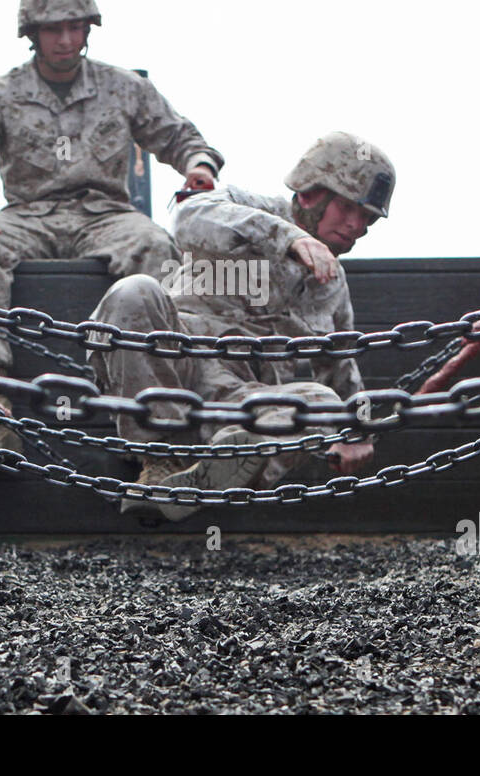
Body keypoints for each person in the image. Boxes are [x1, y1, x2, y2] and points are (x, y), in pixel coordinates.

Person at [0, 0, 223, 460]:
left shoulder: (122, 88)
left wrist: (199, 167)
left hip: (106, 214)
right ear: (31, 33)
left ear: (89, 29)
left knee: (154, 246)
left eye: (75, 27)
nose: (65, 39)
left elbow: (181, 137)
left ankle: (154, 422)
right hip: (29, 215)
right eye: (52, 29)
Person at [88, 131, 396, 520]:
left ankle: (216, 468)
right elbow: (188, 217)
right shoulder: (245, 206)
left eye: (368, 218)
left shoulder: (330, 284)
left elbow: (340, 370)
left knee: (325, 407)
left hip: (239, 406)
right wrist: (288, 239)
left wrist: (358, 433)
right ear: (311, 194)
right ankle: (160, 463)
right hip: (174, 375)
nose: (358, 226)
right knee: (134, 292)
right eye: (349, 209)